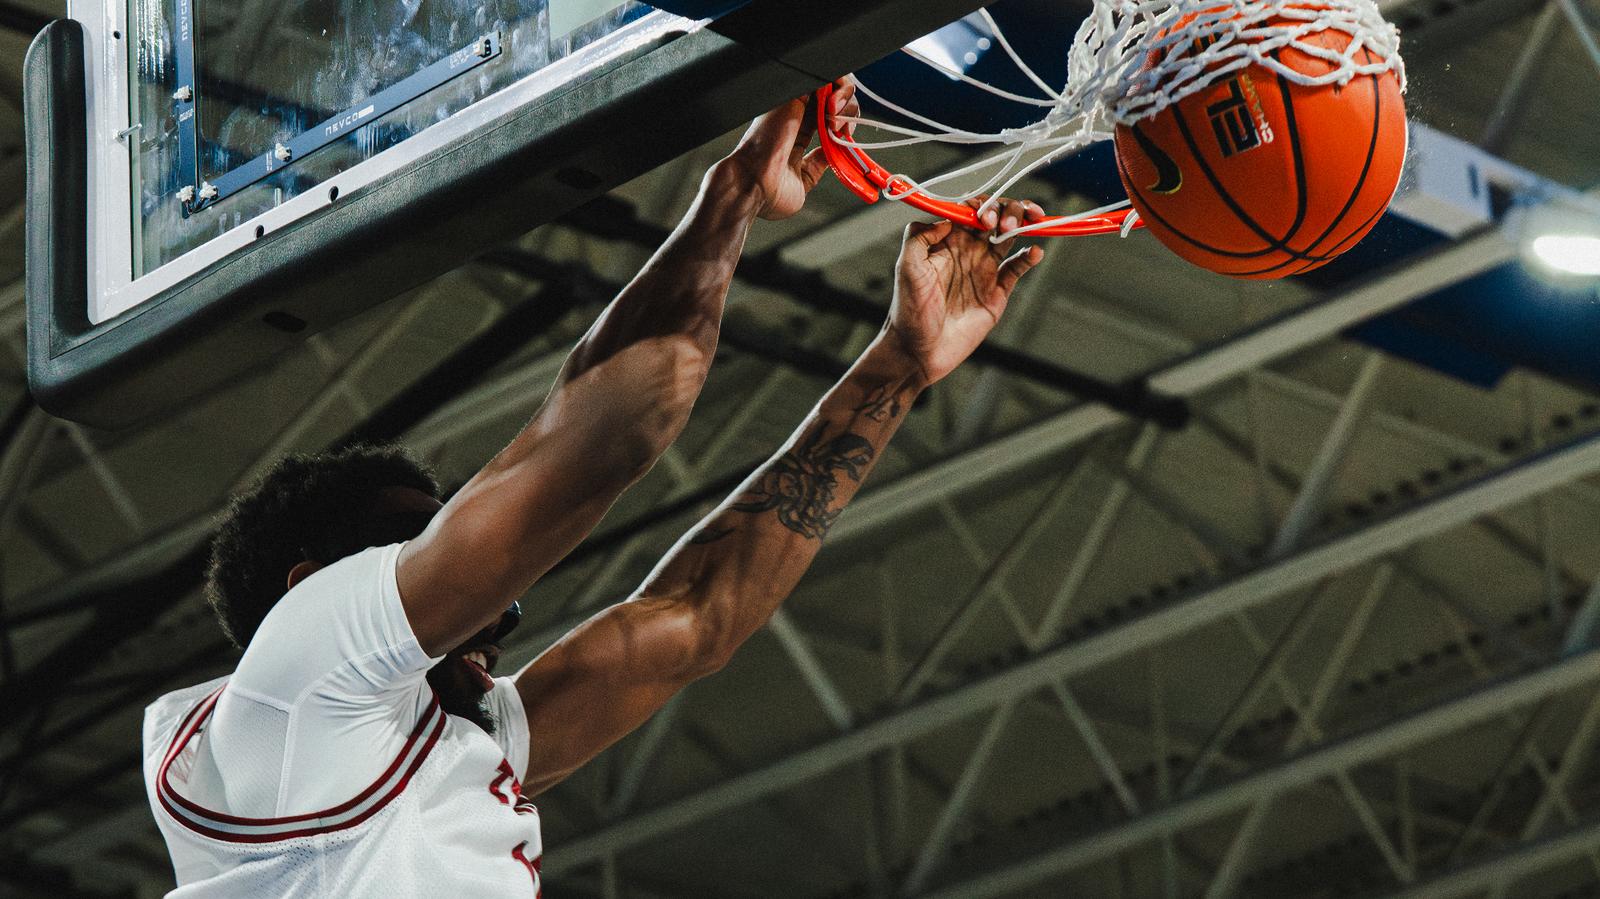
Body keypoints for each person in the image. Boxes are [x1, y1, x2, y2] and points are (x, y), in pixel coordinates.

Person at [140, 82, 1046, 897]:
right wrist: (730, 195)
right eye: (425, 549)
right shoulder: (298, 694)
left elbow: (697, 616)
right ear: (316, 594)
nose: (502, 612)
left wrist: (897, 367)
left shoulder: (441, 740)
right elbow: (609, 437)